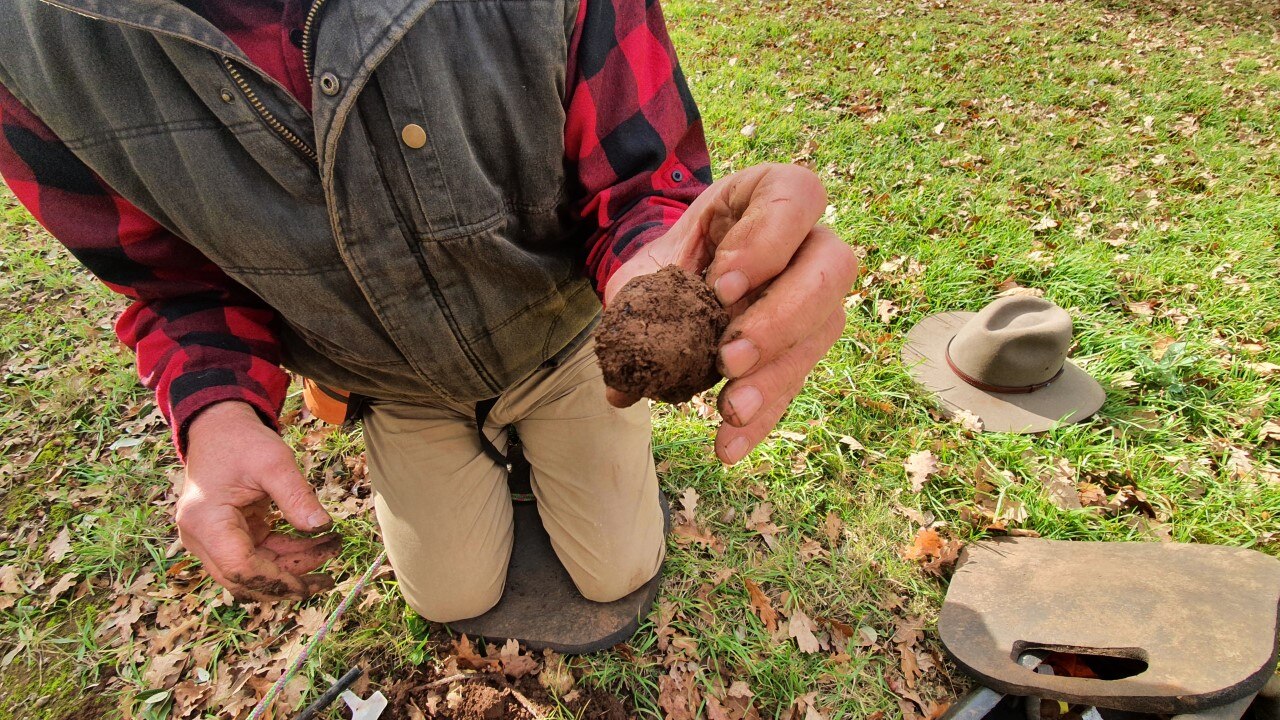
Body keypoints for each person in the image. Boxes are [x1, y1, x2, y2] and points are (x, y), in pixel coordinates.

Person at [0, 0, 856, 623]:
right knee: (451, 598)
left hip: (564, 346)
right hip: (393, 386)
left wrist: (669, 272)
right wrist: (216, 411)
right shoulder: (28, 45)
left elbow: (639, 184)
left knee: (617, 573)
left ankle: (554, 442)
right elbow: (168, 281)